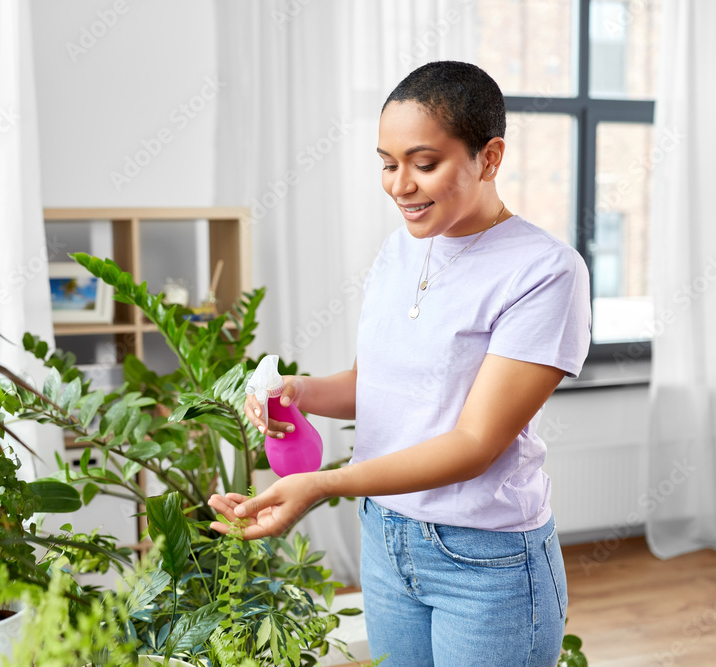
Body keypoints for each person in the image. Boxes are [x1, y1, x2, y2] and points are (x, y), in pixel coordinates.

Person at [208, 61, 591, 666]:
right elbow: (373, 386)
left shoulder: (544, 271)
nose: (399, 185)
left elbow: (474, 443)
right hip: (386, 538)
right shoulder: (398, 250)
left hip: (485, 559)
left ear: (489, 158)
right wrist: (299, 391)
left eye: (424, 162)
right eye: (387, 163)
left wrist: (326, 483)